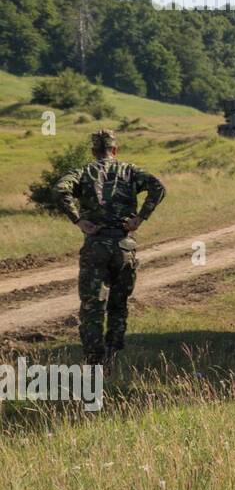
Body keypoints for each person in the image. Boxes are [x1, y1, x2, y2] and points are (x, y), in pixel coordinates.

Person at [54, 129, 166, 370]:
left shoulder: (83, 171)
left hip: (96, 245)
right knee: (118, 304)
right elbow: (158, 187)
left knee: (92, 305)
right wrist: (139, 218)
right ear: (114, 150)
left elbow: (60, 190)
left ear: (94, 151)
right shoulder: (130, 171)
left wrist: (78, 220)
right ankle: (113, 354)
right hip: (124, 246)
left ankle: (94, 360)